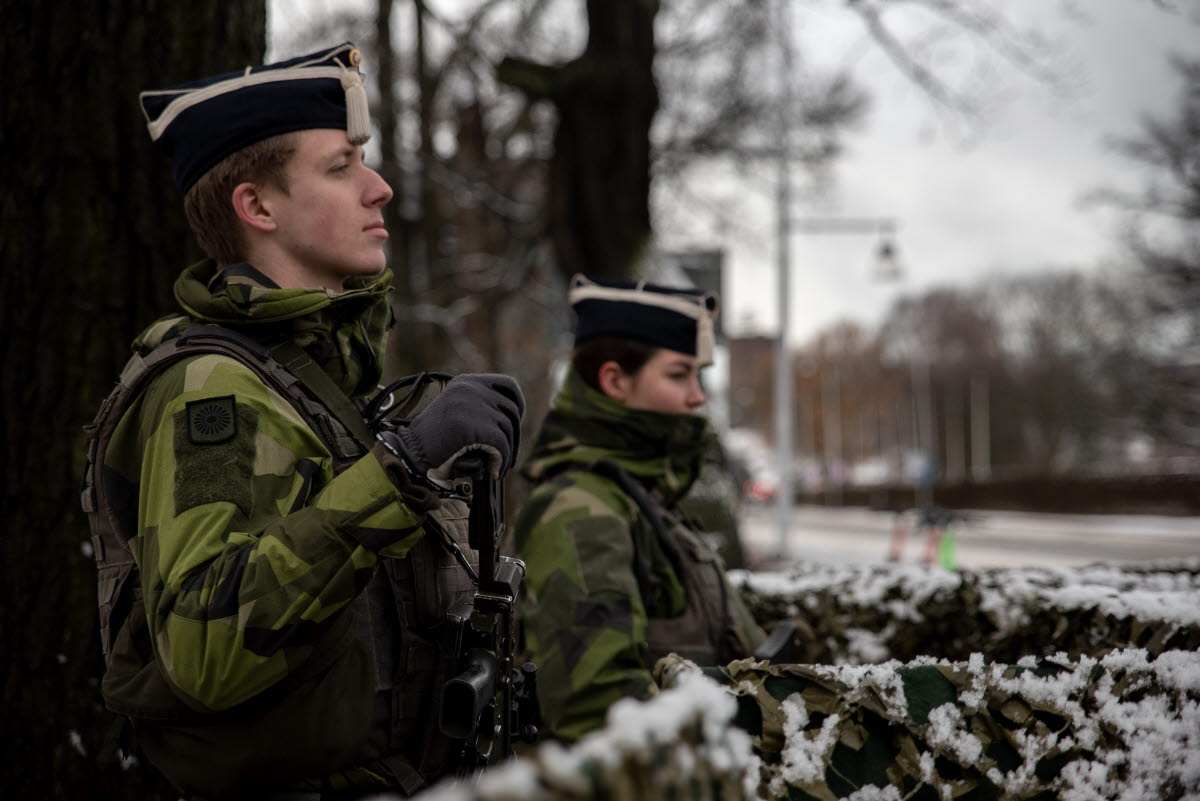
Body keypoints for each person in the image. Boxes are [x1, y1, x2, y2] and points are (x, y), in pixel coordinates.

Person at [81, 43, 524, 799]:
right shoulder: (211, 393)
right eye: (341, 167)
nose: (379, 188)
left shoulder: (314, 381)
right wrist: (404, 471)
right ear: (257, 206)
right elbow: (203, 645)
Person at [513, 273, 766, 742]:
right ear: (615, 380)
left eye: (697, 375)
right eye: (678, 374)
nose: (698, 395)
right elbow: (598, 713)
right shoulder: (581, 511)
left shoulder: (633, 495)